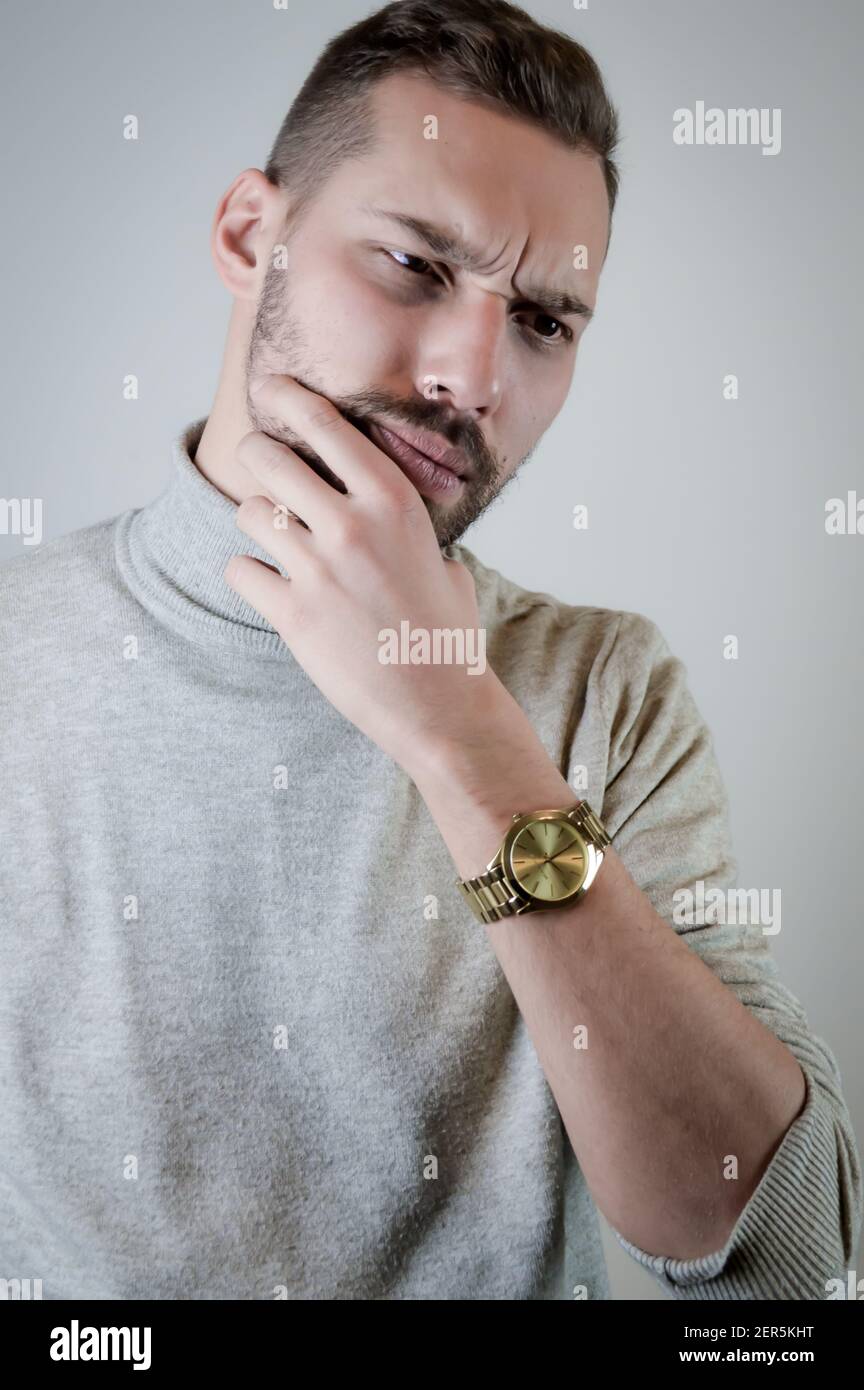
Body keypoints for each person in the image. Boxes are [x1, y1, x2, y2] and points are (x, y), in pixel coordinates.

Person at [0, 0, 859, 1301]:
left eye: (545, 321)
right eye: (413, 265)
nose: (472, 371)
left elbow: (786, 1267)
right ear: (251, 233)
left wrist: (462, 729)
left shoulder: (606, 690)